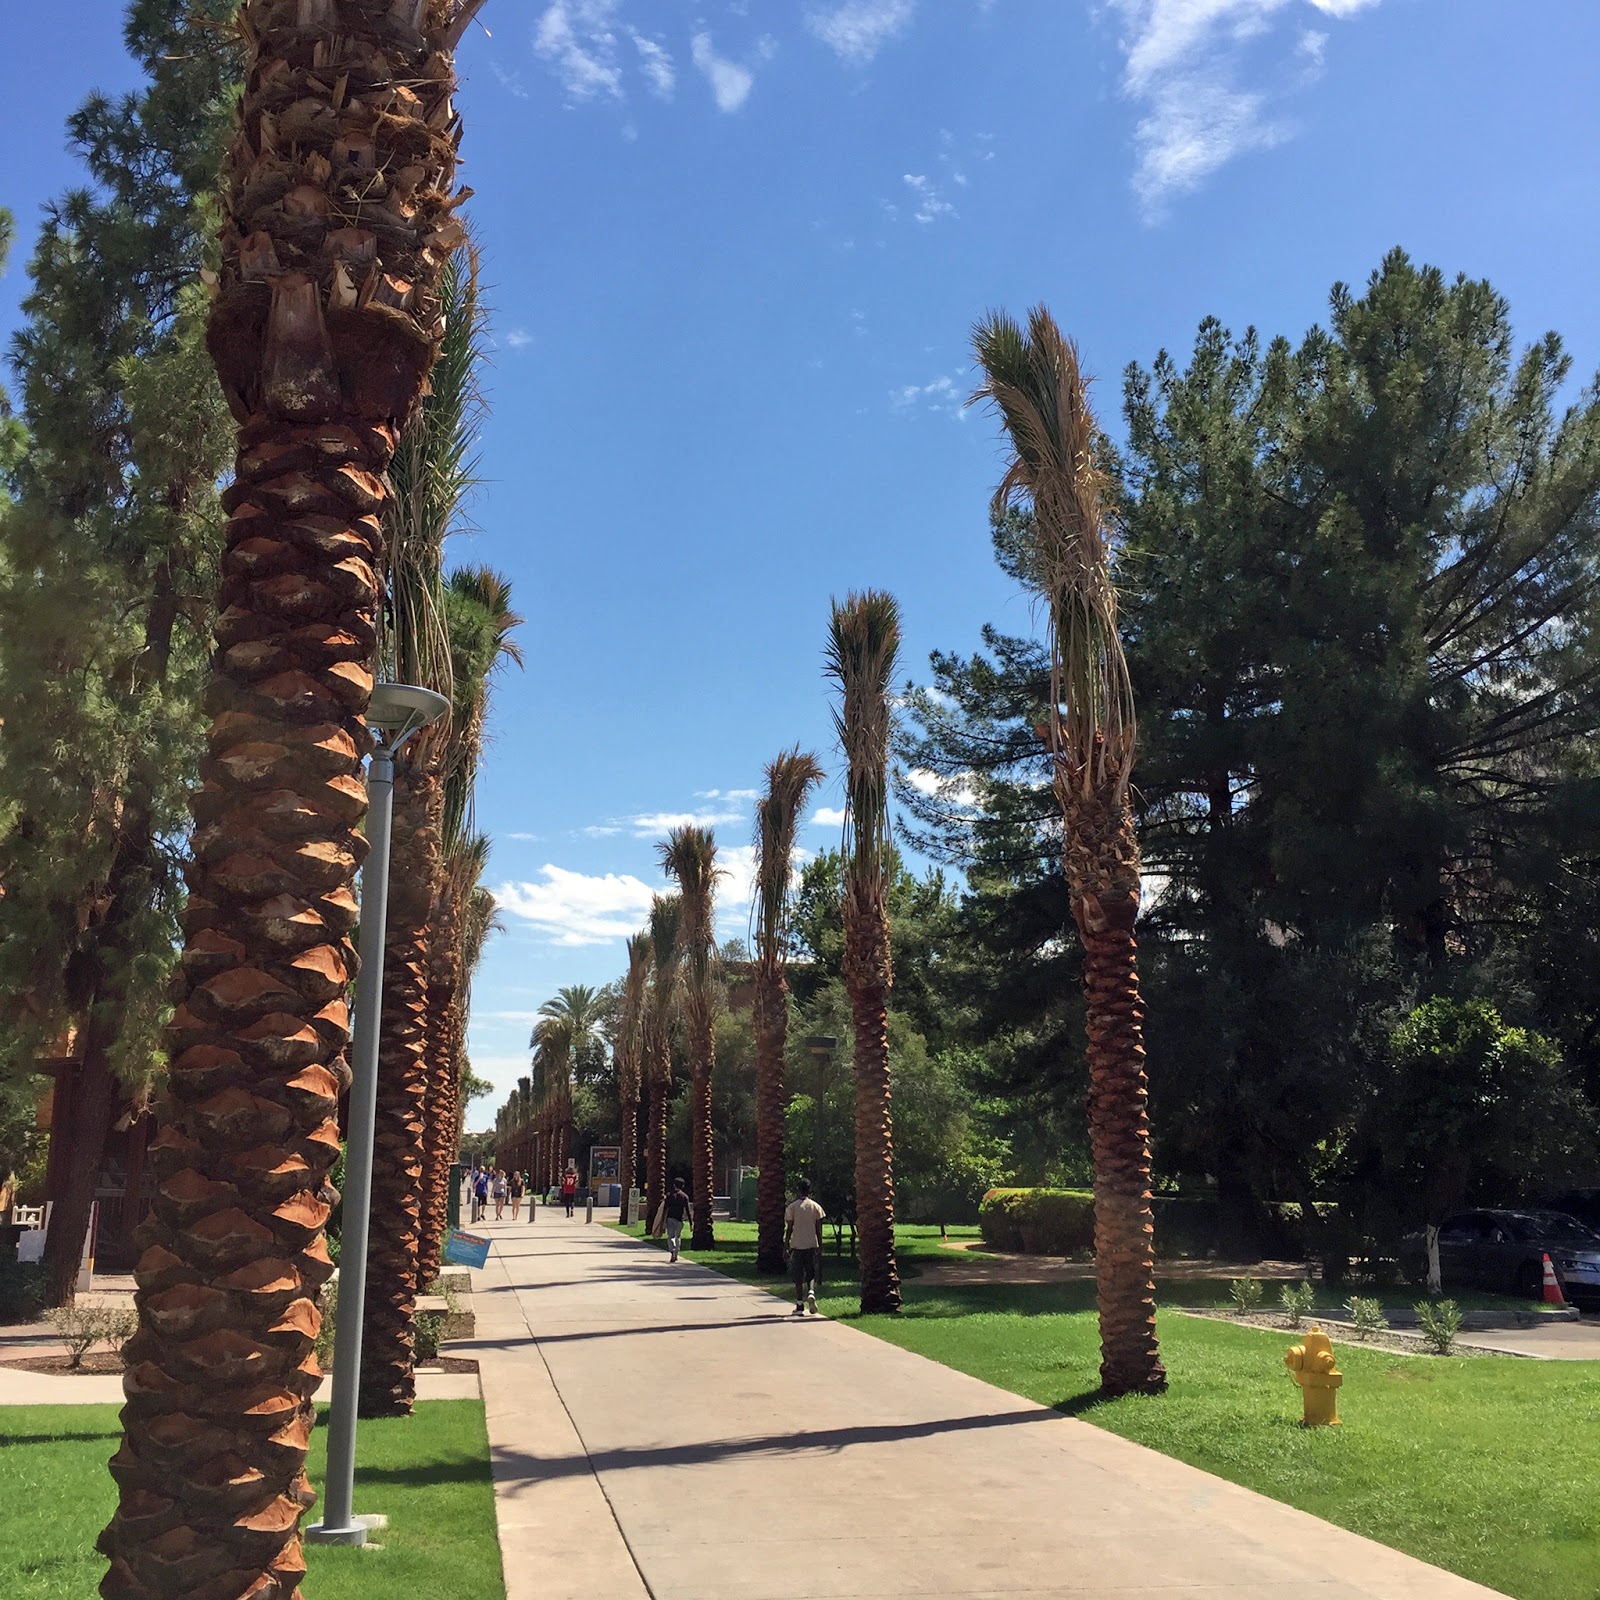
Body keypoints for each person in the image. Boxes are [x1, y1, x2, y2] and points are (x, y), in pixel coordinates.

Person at [784, 1177, 827, 1315]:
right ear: (809, 1190)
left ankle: (799, 1304)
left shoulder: (792, 1207)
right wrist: (820, 1246)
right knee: (811, 1271)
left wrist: (786, 1246)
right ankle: (811, 1292)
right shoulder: (816, 1207)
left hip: (797, 1245)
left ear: (798, 1190)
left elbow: (789, 1228)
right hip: (811, 1245)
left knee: (798, 1275)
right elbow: (818, 1230)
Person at [663, 1176, 691, 1263]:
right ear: (683, 1186)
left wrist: (663, 1221)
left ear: (674, 1185)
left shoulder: (669, 1195)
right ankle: (676, 1253)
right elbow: (688, 1210)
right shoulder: (684, 1196)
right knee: (677, 1236)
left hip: (670, 1218)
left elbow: (665, 1209)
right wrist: (691, 1223)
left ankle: (672, 1251)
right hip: (680, 1219)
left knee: (670, 1236)